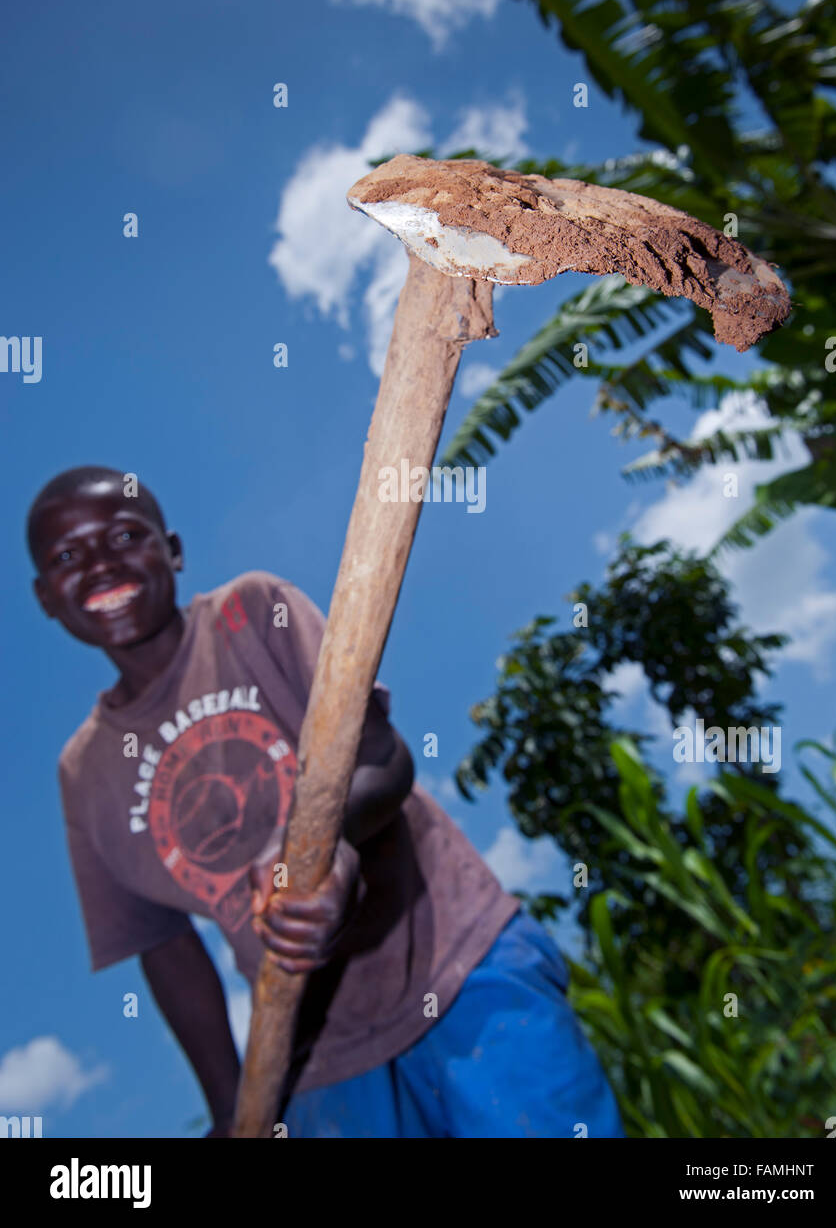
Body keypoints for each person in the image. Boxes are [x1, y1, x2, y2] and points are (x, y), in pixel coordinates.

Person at [28, 464, 625, 1139]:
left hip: (455, 963)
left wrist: (322, 841)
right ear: (45, 596)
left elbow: (385, 757)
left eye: (126, 535)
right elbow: (165, 947)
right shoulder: (84, 773)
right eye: (68, 557)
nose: (102, 564)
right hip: (317, 1056)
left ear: (174, 549)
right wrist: (230, 1109)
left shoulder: (252, 613)